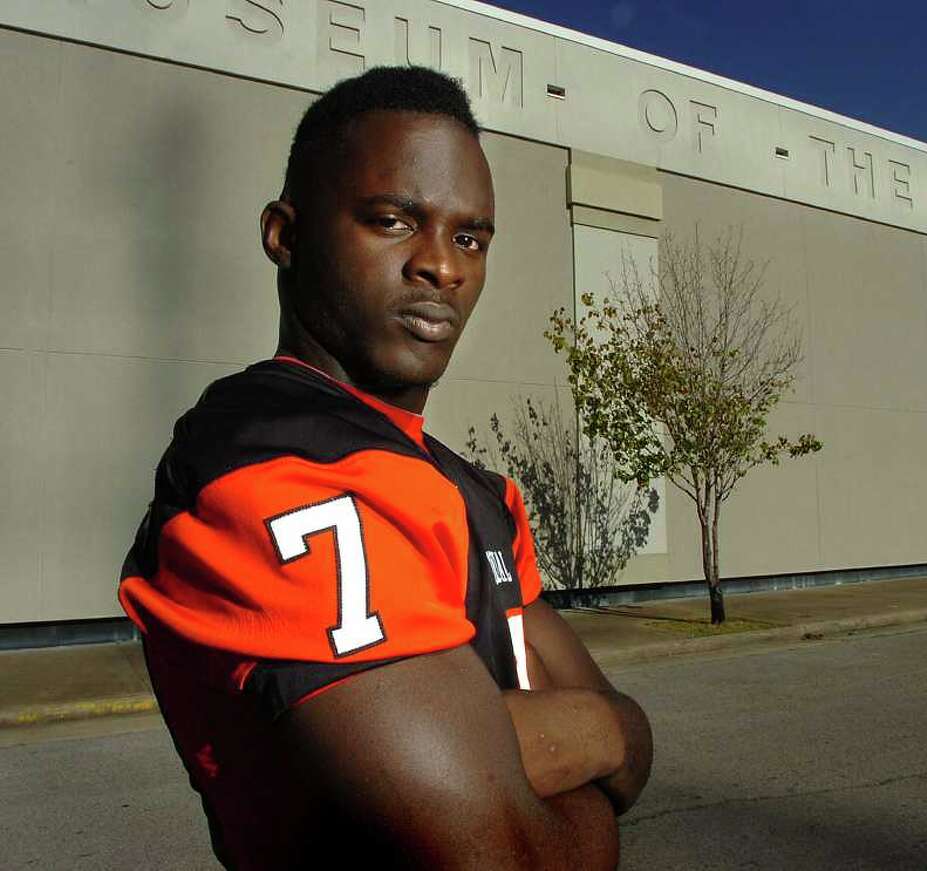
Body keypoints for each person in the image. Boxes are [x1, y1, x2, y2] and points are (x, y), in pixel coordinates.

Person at [118, 66, 652, 869]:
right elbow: (500, 849)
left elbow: (636, 748)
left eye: (469, 238)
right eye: (394, 220)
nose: (442, 266)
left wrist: (601, 733)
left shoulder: (478, 492)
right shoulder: (270, 455)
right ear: (285, 235)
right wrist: (595, 738)